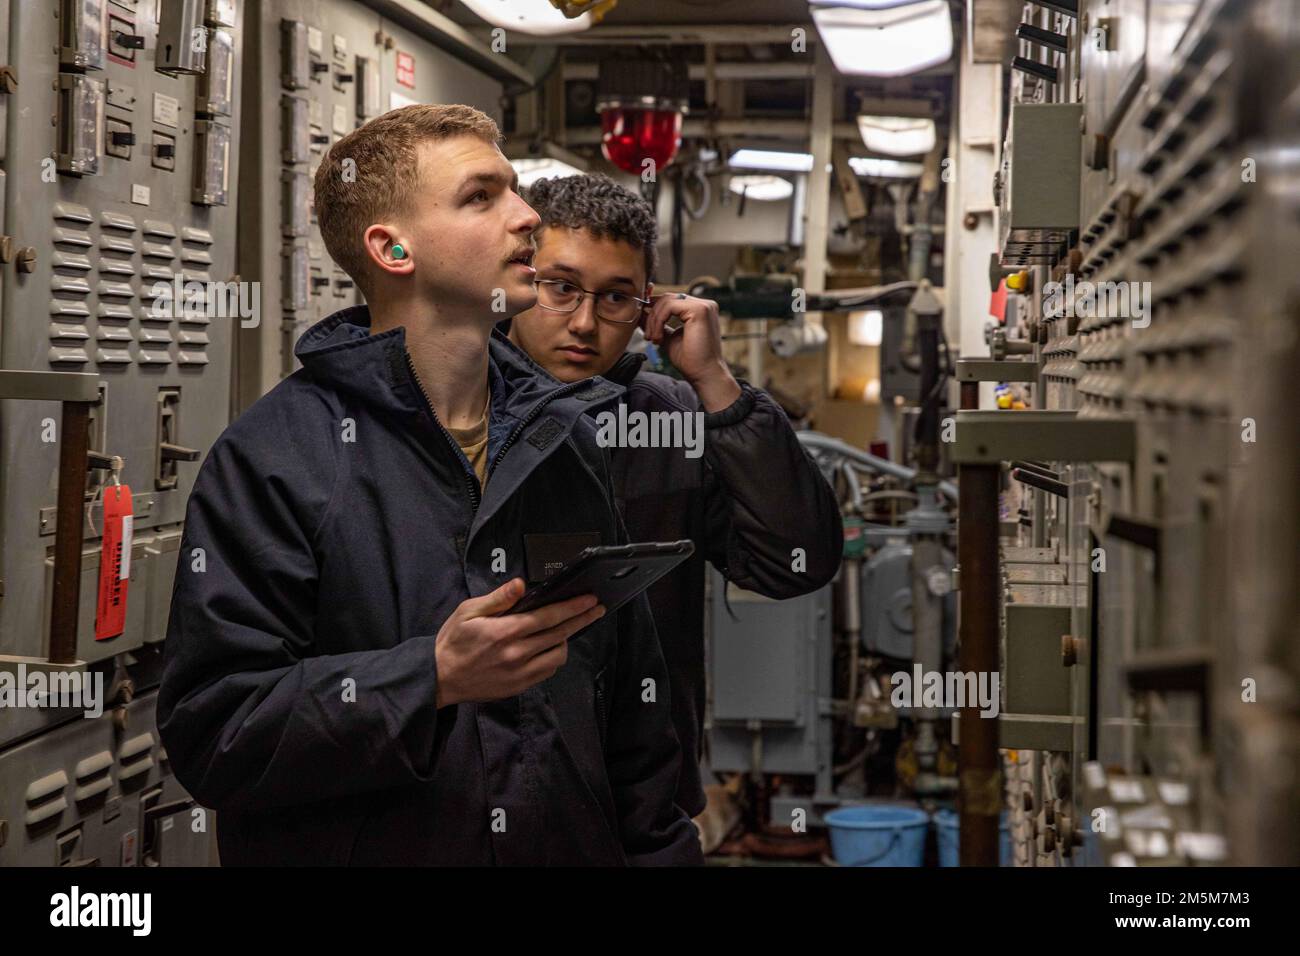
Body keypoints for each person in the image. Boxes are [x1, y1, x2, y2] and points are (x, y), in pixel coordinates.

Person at [157, 106, 702, 866]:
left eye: (516, 191)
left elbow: (634, 726)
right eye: (483, 197)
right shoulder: (277, 458)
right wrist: (431, 679)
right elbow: (215, 733)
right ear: (392, 247)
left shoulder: (560, 440)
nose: (527, 218)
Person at [506, 174, 844, 818]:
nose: (584, 322)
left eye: (615, 298)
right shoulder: (457, 408)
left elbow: (794, 561)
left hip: (641, 795)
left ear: (649, 308)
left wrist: (715, 383)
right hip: (487, 795)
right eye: (561, 288)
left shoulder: (671, 419)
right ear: (520, 279)